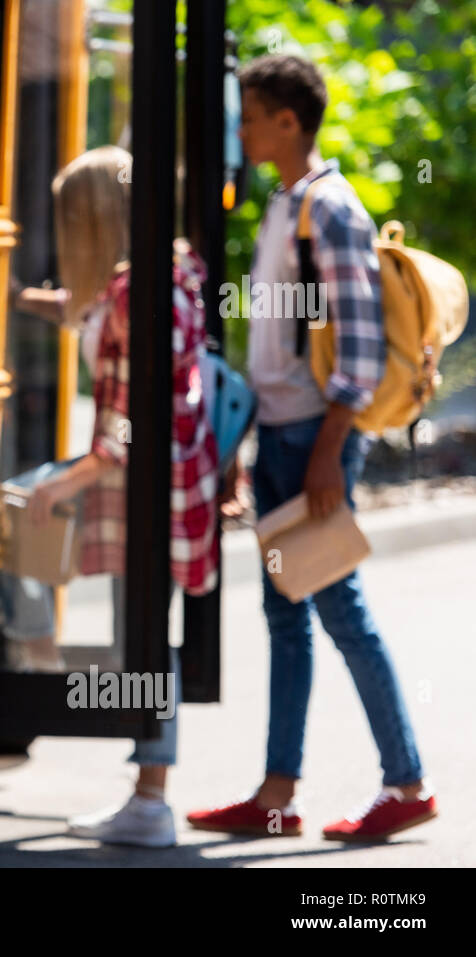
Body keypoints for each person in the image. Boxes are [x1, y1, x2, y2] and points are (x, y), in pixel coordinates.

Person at [187, 54, 436, 842]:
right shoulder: (284, 205)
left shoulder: (328, 210)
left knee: (339, 610)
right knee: (289, 615)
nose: (245, 129)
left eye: (253, 115)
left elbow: (358, 347)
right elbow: (277, 345)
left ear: (289, 122)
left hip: (313, 442)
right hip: (286, 434)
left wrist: (329, 448)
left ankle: (407, 782)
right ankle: (276, 796)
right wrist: (243, 440)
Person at [9, 145, 220, 847]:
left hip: (140, 483)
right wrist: (16, 297)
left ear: (93, 221)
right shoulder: (152, 275)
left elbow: (135, 420)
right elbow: (81, 307)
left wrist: (73, 476)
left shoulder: (136, 296)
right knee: (143, 632)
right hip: (151, 478)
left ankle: (149, 794)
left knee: (143, 636)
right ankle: (40, 669)